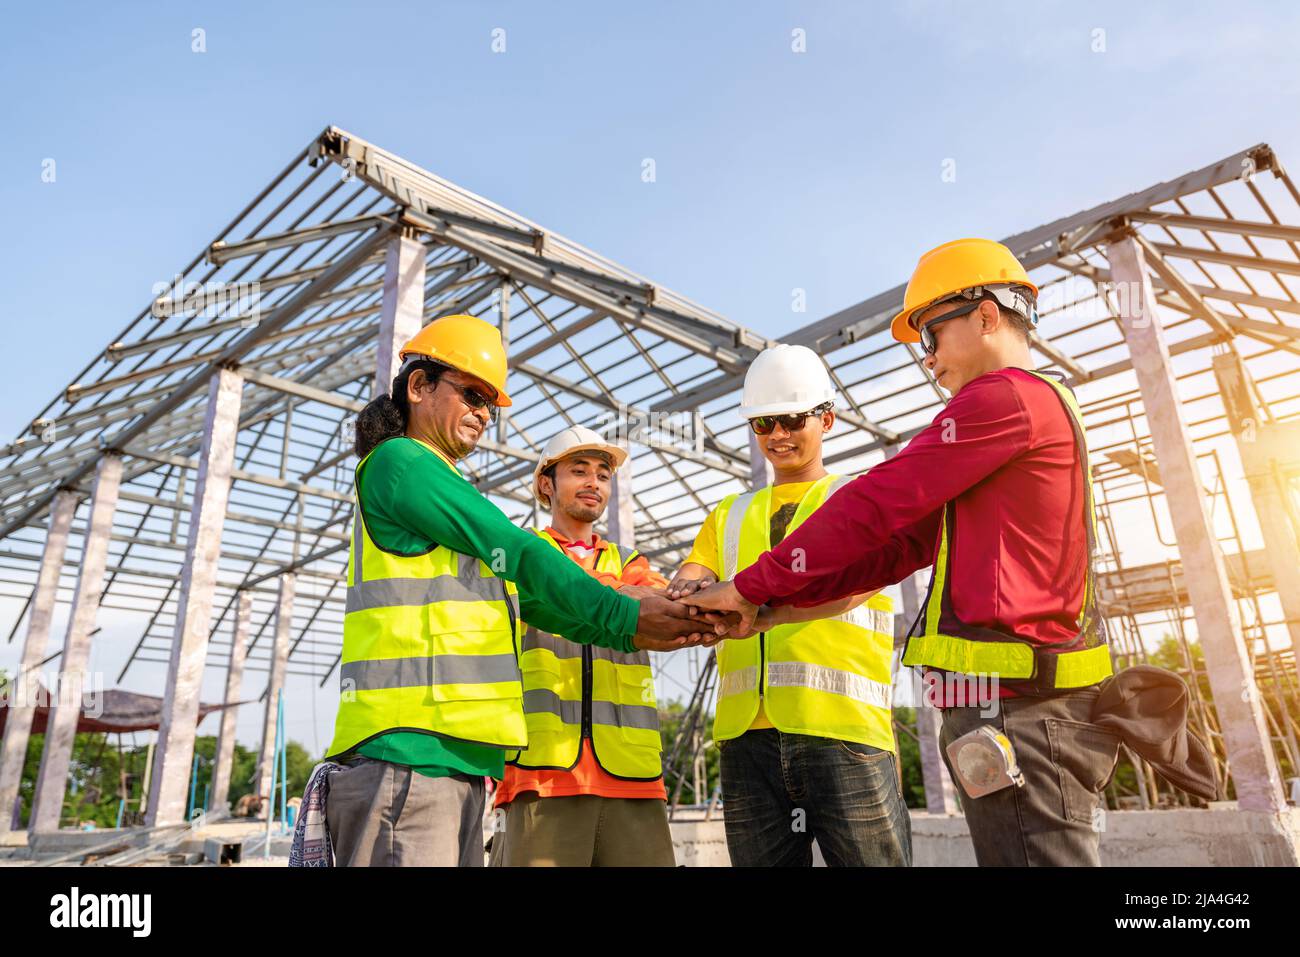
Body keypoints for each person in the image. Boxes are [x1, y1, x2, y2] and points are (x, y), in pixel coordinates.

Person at [683, 239, 1120, 866]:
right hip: (1004, 704)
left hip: (1024, 704)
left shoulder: (1006, 398)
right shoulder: (1015, 410)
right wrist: (775, 609)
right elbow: (900, 548)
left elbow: (881, 502)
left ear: (987, 315)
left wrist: (750, 586)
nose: (928, 359)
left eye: (932, 336)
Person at [323, 314, 713, 866]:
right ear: (418, 386)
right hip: (406, 755)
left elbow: (535, 601)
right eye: (473, 394)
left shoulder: (440, 493)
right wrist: (625, 615)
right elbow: (517, 548)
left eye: (490, 404)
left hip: (453, 761)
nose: (482, 414)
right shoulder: (401, 461)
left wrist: (635, 627)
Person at [668, 344, 910, 867]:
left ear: (826, 418)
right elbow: (689, 581)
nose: (777, 435)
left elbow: (859, 585)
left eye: (792, 419)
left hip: (844, 732)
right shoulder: (728, 514)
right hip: (745, 741)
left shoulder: (860, 498)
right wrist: (678, 596)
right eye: (763, 423)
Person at [490, 426, 676, 866]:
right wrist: (620, 594)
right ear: (545, 485)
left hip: (632, 775)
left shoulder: (630, 562)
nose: (594, 482)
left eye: (603, 474)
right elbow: (630, 599)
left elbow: (666, 607)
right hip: (542, 774)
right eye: (579, 470)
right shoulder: (522, 553)